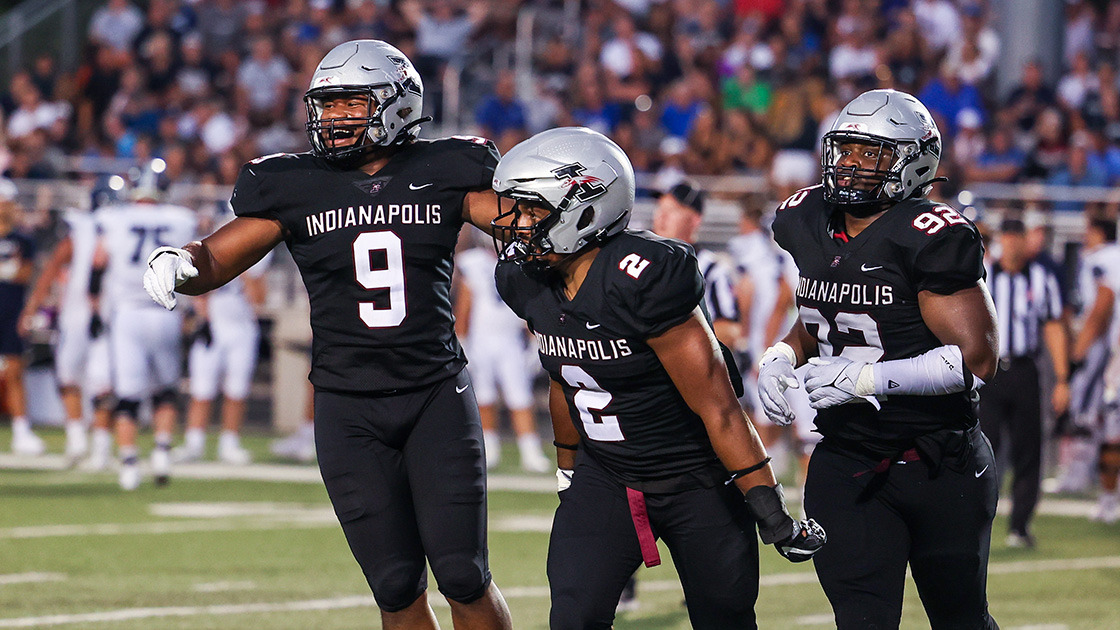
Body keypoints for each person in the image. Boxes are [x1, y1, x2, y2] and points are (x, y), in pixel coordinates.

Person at [142, 40, 513, 629]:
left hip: (435, 394)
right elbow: (215, 258)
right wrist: (180, 262)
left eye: (351, 103)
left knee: (464, 575)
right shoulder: (296, 183)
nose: (335, 117)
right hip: (347, 407)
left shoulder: (447, 169)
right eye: (328, 104)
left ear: (396, 104)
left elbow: (530, 228)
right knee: (395, 588)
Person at [491, 126, 825, 630]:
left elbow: (719, 405)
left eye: (534, 210)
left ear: (586, 208)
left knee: (726, 618)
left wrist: (770, 509)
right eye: (518, 209)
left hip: (698, 482)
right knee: (573, 617)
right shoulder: (528, 280)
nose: (519, 224)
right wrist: (567, 471)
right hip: (609, 477)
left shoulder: (642, 277)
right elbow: (563, 380)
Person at [759, 89, 1000, 629]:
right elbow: (827, 310)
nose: (850, 165)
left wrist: (869, 377)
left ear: (914, 163)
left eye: (871, 154)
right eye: (845, 150)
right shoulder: (807, 218)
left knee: (961, 618)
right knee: (861, 620)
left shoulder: (929, 236)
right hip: (846, 458)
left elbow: (976, 360)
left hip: (940, 461)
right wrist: (782, 351)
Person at [95, 163, 197, 490]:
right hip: (165, 310)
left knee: (127, 395)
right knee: (166, 389)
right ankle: (163, 453)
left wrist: (96, 306)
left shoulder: (114, 218)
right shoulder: (181, 218)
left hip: (127, 312)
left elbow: (98, 262)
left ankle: (128, 466)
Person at [984, 217, 1069, 548]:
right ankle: (979, 520)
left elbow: (1053, 326)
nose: (1014, 243)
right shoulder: (984, 275)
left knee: (1028, 451)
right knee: (983, 451)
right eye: (1008, 236)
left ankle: (1019, 526)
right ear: (1002, 239)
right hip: (988, 372)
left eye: (1019, 237)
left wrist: (1063, 378)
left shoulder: (1041, 277)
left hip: (1023, 369)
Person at [18, 191, 116, 466]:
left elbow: (53, 267)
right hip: (105, 315)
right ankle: (95, 446)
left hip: (80, 315)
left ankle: (82, 442)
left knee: (74, 377)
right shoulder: (116, 230)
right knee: (98, 382)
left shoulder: (81, 233)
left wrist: (31, 309)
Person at [175, 203, 271, 466]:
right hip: (214, 327)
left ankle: (229, 443)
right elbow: (199, 289)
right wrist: (203, 318)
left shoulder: (257, 260)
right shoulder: (211, 254)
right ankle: (194, 442)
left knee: (236, 390)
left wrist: (245, 270)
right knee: (201, 388)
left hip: (241, 329)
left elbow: (259, 299)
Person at [453, 241, 549, 473]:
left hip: (510, 339)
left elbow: (527, 301)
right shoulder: (473, 262)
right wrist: (463, 341)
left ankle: (530, 450)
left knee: (520, 395)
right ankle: (489, 448)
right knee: (484, 396)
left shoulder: (520, 259)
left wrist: (534, 339)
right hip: (480, 339)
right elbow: (465, 303)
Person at [1070, 217, 1120, 523]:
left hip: (1115, 353)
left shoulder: (1101, 260)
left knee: (1108, 428)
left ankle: (1107, 497)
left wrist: (1079, 355)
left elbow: (1102, 304)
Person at [0, 180, 44, 456]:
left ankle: (21, 431)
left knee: (15, 371)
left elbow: (25, 274)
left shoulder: (22, 239)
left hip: (10, 311)